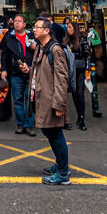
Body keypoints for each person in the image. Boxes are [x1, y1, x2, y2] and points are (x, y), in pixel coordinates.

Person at [30, 17, 70, 185]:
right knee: (49, 132)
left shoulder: (55, 50)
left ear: (47, 30)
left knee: (55, 133)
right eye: (34, 27)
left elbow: (62, 78)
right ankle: (59, 164)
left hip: (51, 99)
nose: (34, 30)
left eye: (38, 27)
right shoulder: (40, 47)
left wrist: (59, 104)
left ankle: (63, 173)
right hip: (42, 97)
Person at [0, 14, 35, 136]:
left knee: (30, 100)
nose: (17, 23)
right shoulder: (9, 37)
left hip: (31, 73)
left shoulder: (32, 35)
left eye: (19, 21)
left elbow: (41, 52)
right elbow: (4, 55)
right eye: (15, 21)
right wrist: (4, 69)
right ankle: (21, 125)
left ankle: (29, 126)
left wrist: (35, 48)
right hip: (15, 73)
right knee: (18, 100)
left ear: (24, 24)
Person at [69, 19, 91, 130]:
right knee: (74, 94)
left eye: (70, 28)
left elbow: (87, 55)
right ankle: (79, 115)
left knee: (80, 94)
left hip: (80, 69)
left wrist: (88, 70)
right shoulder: (66, 41)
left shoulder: (82, 40)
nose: (68, 30)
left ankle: (81, 118)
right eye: (67, 28)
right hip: (70, 70)